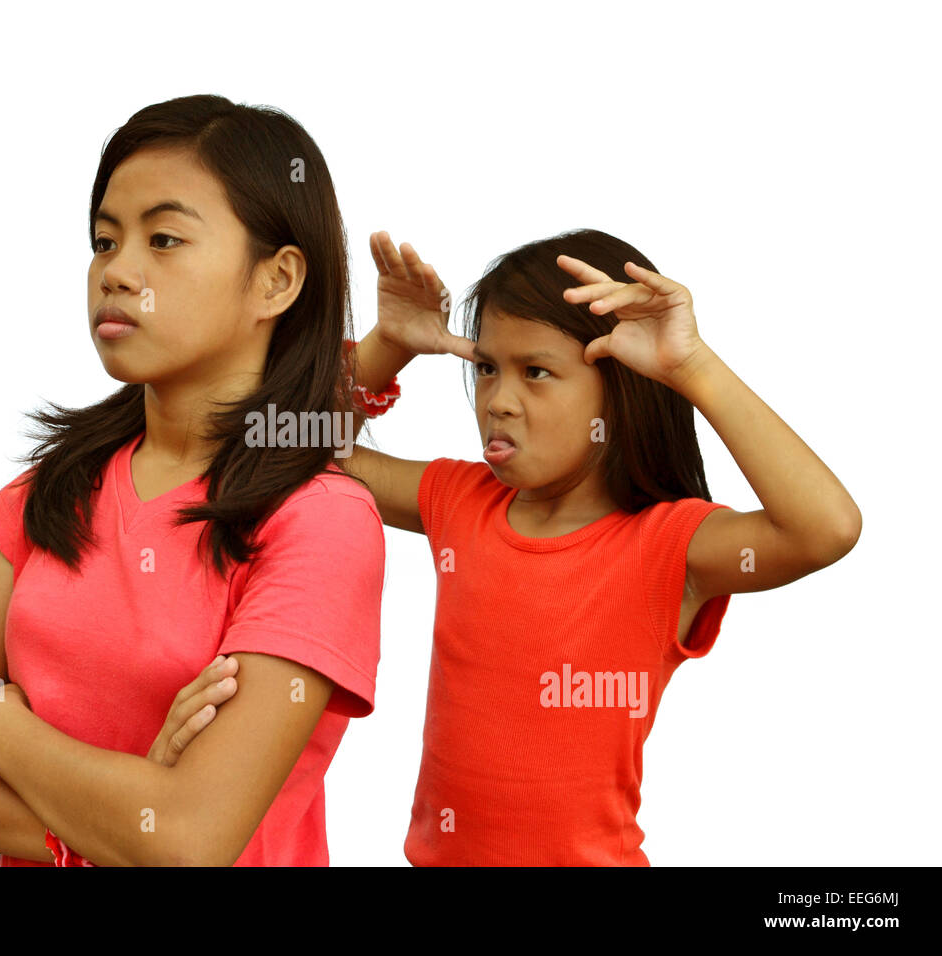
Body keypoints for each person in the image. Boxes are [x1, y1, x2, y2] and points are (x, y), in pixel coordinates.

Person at [0, 94, 386, 866]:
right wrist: (104, 833)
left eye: (163, 238)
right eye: (103, 240)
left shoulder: (321, 521)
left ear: (276, 281)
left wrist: (3, 730)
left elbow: (189, 839)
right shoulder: (56, 484)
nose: (117, 272)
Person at [333, 227, 862, 864]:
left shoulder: (668, 545)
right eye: (486, 369)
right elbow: (283, 444)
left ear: (621, 387)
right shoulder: (459, 499)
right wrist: (389, 345)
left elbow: (826, 528)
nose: (498, 401)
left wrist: (691, 367)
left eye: (536, 372)